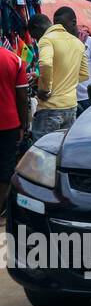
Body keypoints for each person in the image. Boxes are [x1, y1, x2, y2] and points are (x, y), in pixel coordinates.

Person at [29, 12, 88, 138]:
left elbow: (45, 63)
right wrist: (44, 80)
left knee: (43, 153)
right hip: (71, 106)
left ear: (37, 26)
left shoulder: (46, 39)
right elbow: (83, 74)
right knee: (62, 151)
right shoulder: (76, 42)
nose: (36, 40)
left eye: (35, 36)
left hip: (50, 109)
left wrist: (44, 89)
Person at [0, 36, 29, 211]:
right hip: (8, 123)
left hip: (9, 123)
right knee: (5, 167)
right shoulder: (15, 59)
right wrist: (23, 125)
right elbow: (22, 97)